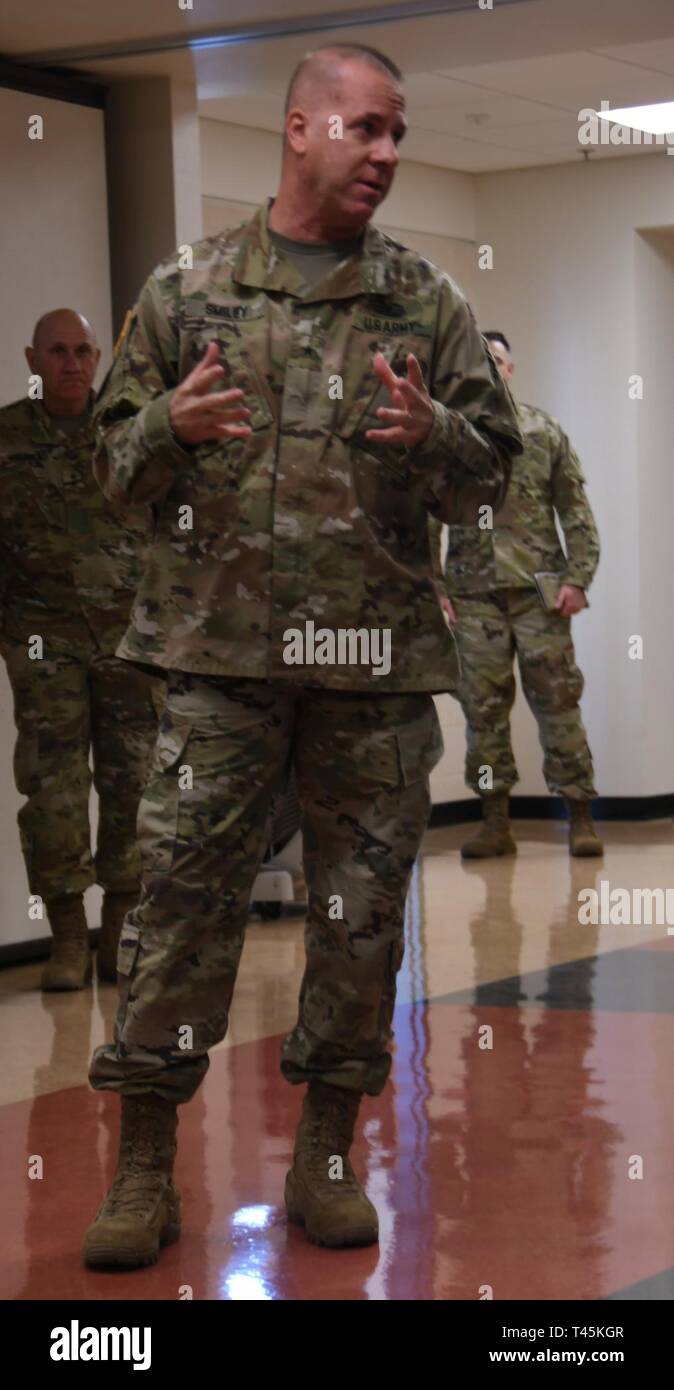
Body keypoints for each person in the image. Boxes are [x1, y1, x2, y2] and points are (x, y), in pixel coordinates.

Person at [83, 43, 522, 1267]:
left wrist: (440, 432)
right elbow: (112, 477)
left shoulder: (425, 304)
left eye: (397, 133)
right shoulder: (187, 289)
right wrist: (163, 427)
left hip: (371, 672)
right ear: (298, 129)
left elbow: (493, 476)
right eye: (366, 129)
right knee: (179, 910)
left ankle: (328, 1150)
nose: (385, 153)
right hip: (215, 664)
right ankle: (142, 1165)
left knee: (358, 916)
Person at [0, 310, 159, 990]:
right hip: (42, 640)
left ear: (99, 358)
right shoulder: (5, 438)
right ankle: (67, 938)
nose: (71, 363)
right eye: (57, 352)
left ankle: (120, 929)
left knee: (134, 782)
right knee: (53, 790)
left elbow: (172, 526)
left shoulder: (128, 434)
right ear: (32, 358)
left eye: (82, 352)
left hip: (126, 638)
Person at [430, 330, 601, 859]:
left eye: (497, 359)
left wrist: (578, 577)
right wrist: (435, 588)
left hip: (539, 593)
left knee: (559, 705)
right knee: (482, 712)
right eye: (480, 361)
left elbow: (574, 509)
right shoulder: (451, 438)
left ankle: (580, 818)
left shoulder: (543, 431)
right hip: (473, 595)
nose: (490, 367)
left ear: (511, 368)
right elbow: (426, 515)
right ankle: (494, 822)